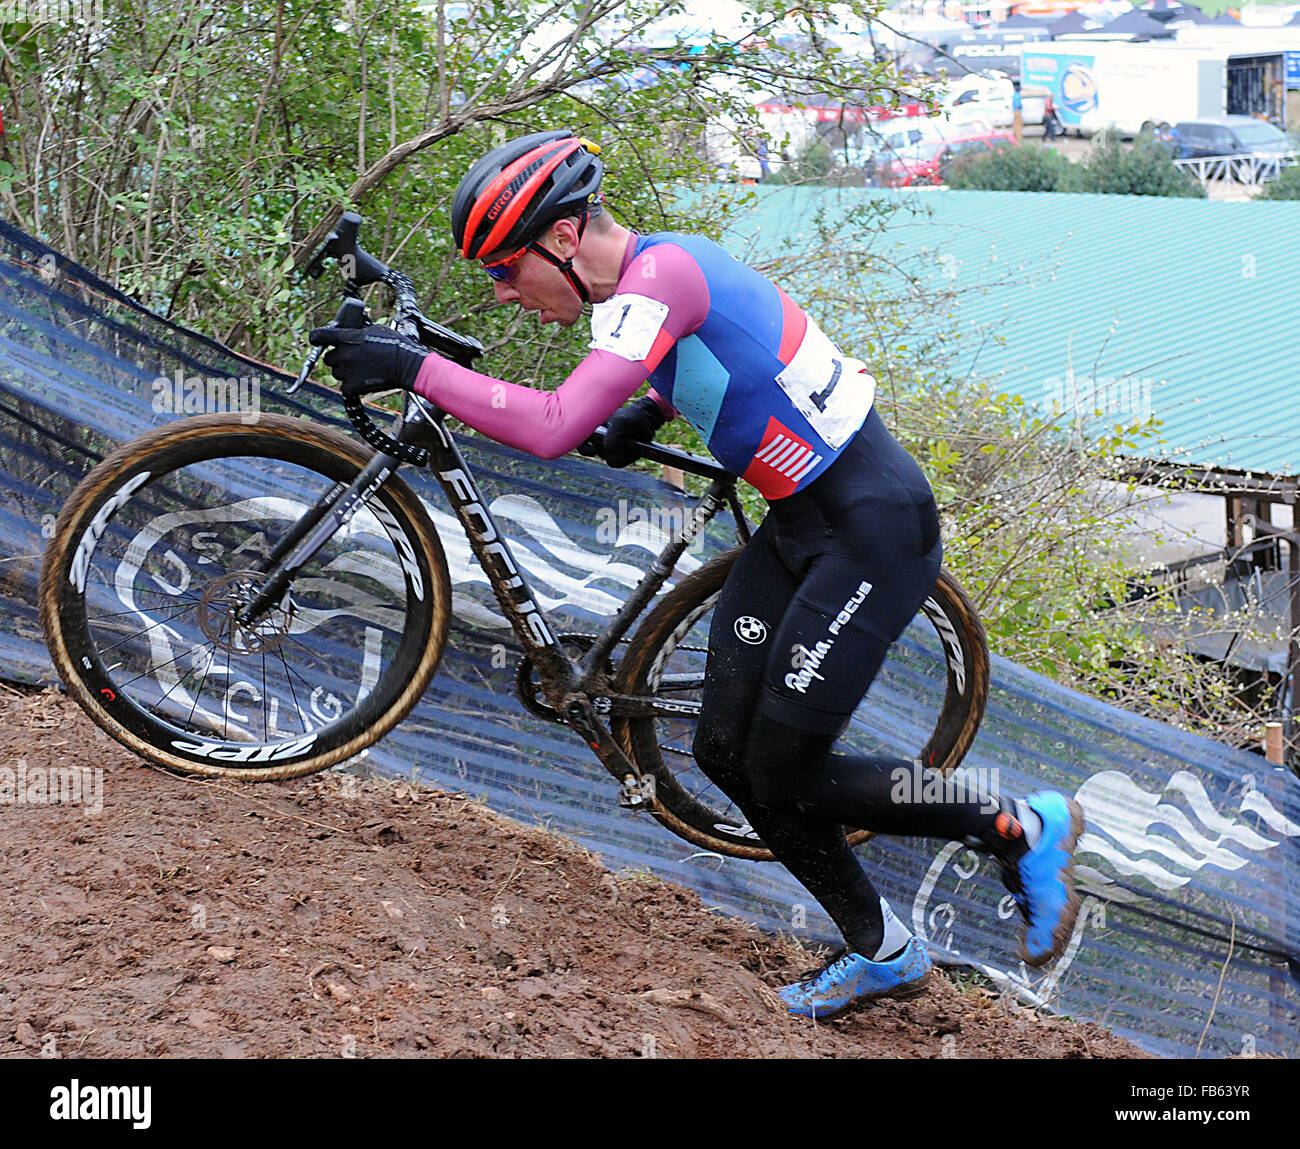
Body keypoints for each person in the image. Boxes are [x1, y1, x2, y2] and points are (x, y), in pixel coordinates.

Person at [309, 129, 1084, 1019]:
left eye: (504, 268)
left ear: (562, 240)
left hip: (872, 530)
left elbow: (554, 423)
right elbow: (735, 353)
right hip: (800, 525)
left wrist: (414, 368)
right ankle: (885, 949)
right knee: (721, 749)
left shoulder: (658, 275)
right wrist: (647, 409)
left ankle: (1018, 824)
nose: (502, 293)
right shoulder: (646, 287)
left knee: (786, 768)